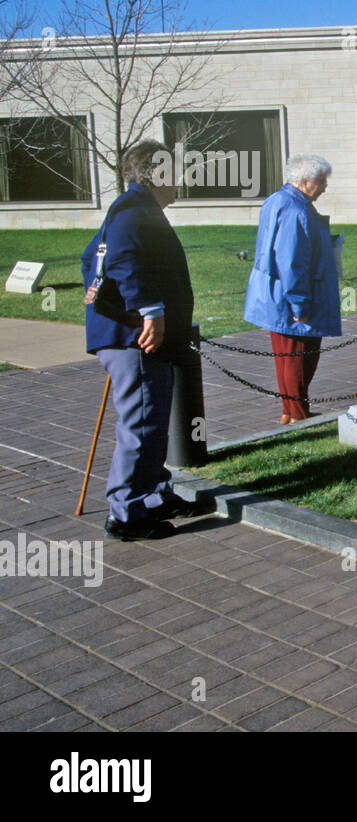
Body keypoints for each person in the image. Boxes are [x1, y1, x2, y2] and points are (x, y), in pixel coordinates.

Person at [81, 140, 204, 541]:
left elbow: (90, 259)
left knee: (151, 422)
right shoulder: (133, 210)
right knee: (142, 425)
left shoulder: (131, 207)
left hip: (131, 337)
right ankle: (127, 513)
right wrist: (148, 310)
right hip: (135, 340)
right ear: (158, 174)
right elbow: (121, 258)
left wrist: (103, 303)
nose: (180, 183)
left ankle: (152, 495)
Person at [242, 154, 342, 424]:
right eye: (321, 181)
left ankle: (291, 412)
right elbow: (291, 261)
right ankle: (298, 416)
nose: (324, 187)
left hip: (276, 295)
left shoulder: (278, 200)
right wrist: (299, 305)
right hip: (291, 298)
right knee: (298, 357)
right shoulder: (296, 210)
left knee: (287, 357)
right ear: (305, 181)